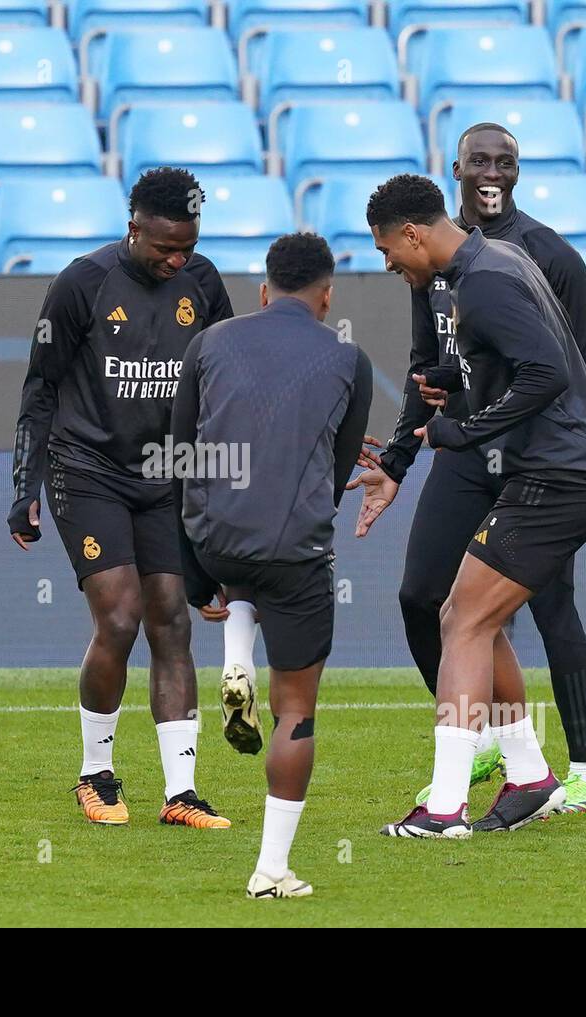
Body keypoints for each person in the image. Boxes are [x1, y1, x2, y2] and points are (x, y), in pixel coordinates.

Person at [360, 126, 586, 813]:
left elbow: (572, 367)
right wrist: (403, 453)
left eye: (505, 161)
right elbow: (431, 364)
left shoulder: (532, 260)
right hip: (490, 452)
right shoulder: (450, 267)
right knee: (439, 600)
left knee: (522, 609)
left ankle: (565, 772)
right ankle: (515, 763)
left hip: (544, 458)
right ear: (456, 170)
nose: (492, 170)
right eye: (481, 160)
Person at [9, 167, 235, 829]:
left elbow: (224, 388)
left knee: (173, 616)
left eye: (187, 247)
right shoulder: (82, 283)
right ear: (133, 226)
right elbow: (39, 389)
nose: (177, 259)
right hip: (87, 468)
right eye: (165, 246)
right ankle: (96, 773)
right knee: (120, 615)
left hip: (167, 475)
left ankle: (181, 792)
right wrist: (24, 485)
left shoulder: (204, 284)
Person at [174, 233, 371, 895]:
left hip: (215, 539)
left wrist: (195, 566)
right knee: (296, 710)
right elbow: (342, 466)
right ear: (326, 296)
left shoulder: (209, 342)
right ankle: (271, 868)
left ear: (264, 290)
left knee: (242, 558)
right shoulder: (348, 357)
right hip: (296, 551)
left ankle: (235, 650)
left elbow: (182, 450)